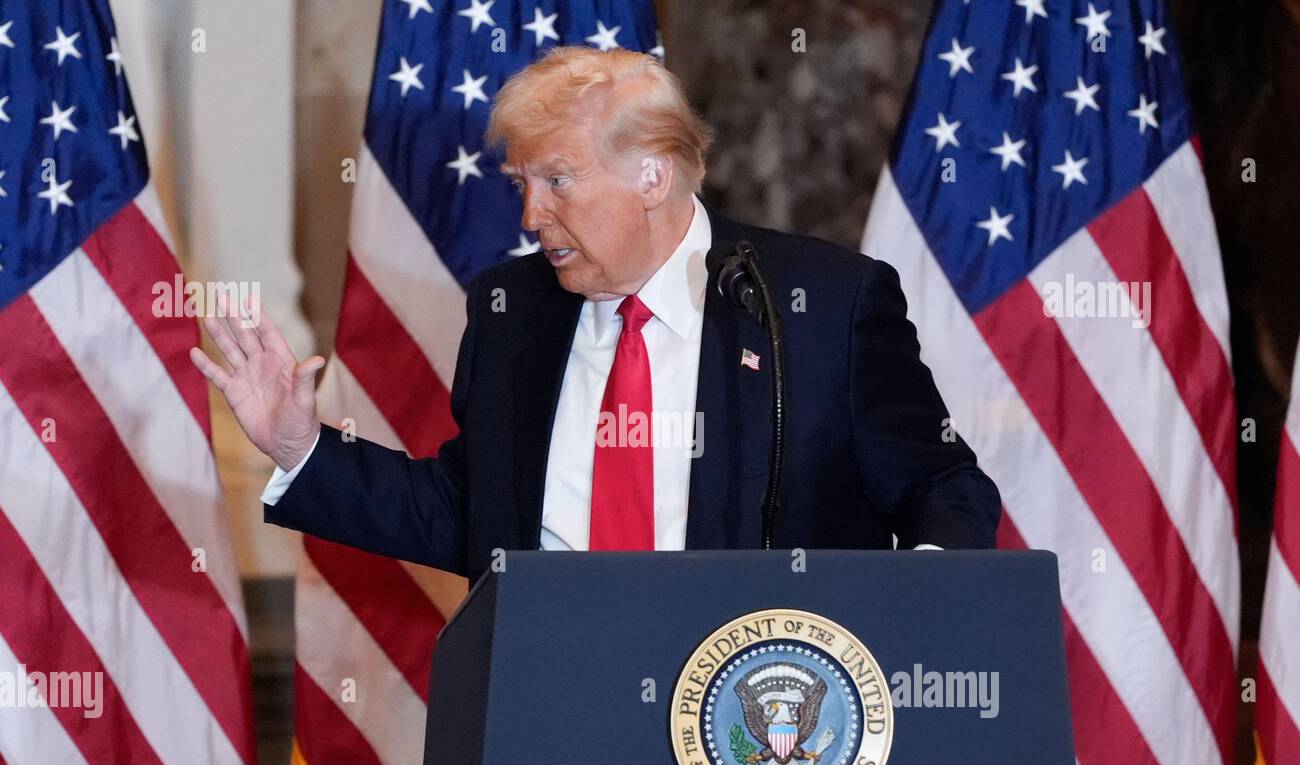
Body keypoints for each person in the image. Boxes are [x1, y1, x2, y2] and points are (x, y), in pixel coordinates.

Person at [189, 46, 1000, 585]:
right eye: (520, 185)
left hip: (762, 727)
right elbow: (466, 514)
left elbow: (939, 484)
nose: (532, 215)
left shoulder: (821, 305)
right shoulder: (514, 313)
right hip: (557, 717)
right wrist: (300, 447)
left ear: (651, 176)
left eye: (557, 180)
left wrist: (918, 602)